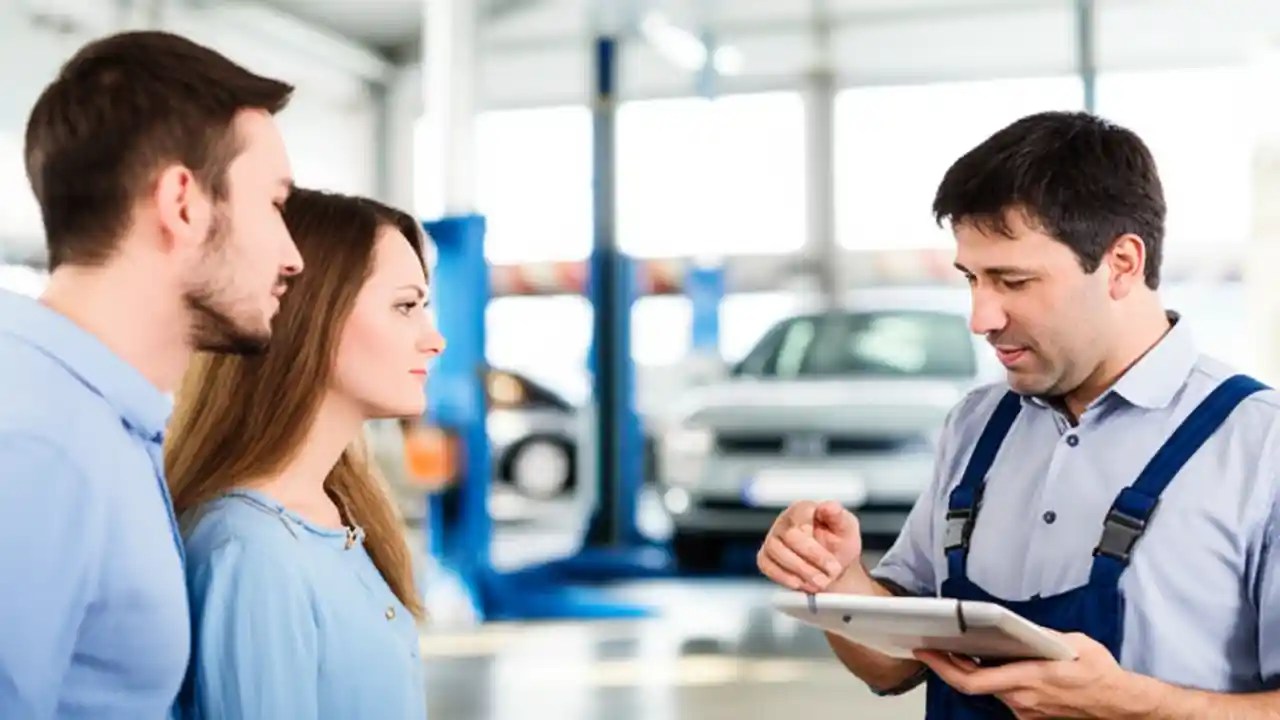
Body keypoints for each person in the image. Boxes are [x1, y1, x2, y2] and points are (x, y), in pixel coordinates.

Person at [757, 110, 1280, 718]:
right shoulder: (977, 427)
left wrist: (1137, 706)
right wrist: (837, 579)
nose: (981, 318)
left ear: (1122, 264)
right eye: (972, 279)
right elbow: (896, 665)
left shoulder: (1259, 446)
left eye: (1014, 281)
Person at [0, 30, 301, 718]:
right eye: (276, 205)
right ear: (183, 204)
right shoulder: (36, 446)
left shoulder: (97, 421)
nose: (293, 257)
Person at [165, 188, 446, 719]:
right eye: (405, 306)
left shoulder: (334, 509)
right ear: (311, 316)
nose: (434, 340)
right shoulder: (250, 550)